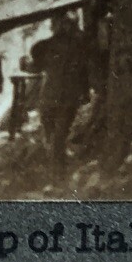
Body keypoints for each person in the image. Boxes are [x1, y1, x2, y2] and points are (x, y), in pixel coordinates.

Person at [28, 14, 89, 174]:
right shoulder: (79, 47)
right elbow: (84, 73)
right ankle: (57, 170)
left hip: (51, 97)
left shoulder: (45, 46)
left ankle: (56, 170)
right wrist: (85, 93)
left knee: (53, 136)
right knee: (59, 136)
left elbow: (34, 66)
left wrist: (24, 64)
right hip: (66, 98)